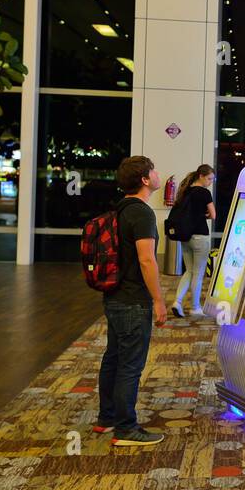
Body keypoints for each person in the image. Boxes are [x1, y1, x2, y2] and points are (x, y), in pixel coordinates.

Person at [95, 155, 168, 447]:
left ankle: (107, 418)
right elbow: (147, 260)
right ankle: (125, 429)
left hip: (114, 296)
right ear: (145, 179)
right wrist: (159, 300)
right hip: (133, 300)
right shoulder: (142, 214)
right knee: (130, 365)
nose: (157, 172)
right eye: (153, 169)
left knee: (113, 357)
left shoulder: (120, 210)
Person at [170, 165, 215, 319]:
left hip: (185, 236)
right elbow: (213, 214)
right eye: (209, 179)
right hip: (200, 237)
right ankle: (195, 307)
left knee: (189, 271)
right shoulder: (204, 193)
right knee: (198, 273)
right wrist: (203, 216)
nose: (210, 182)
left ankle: (177, 301)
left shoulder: (185, 191)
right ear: (201, 176)